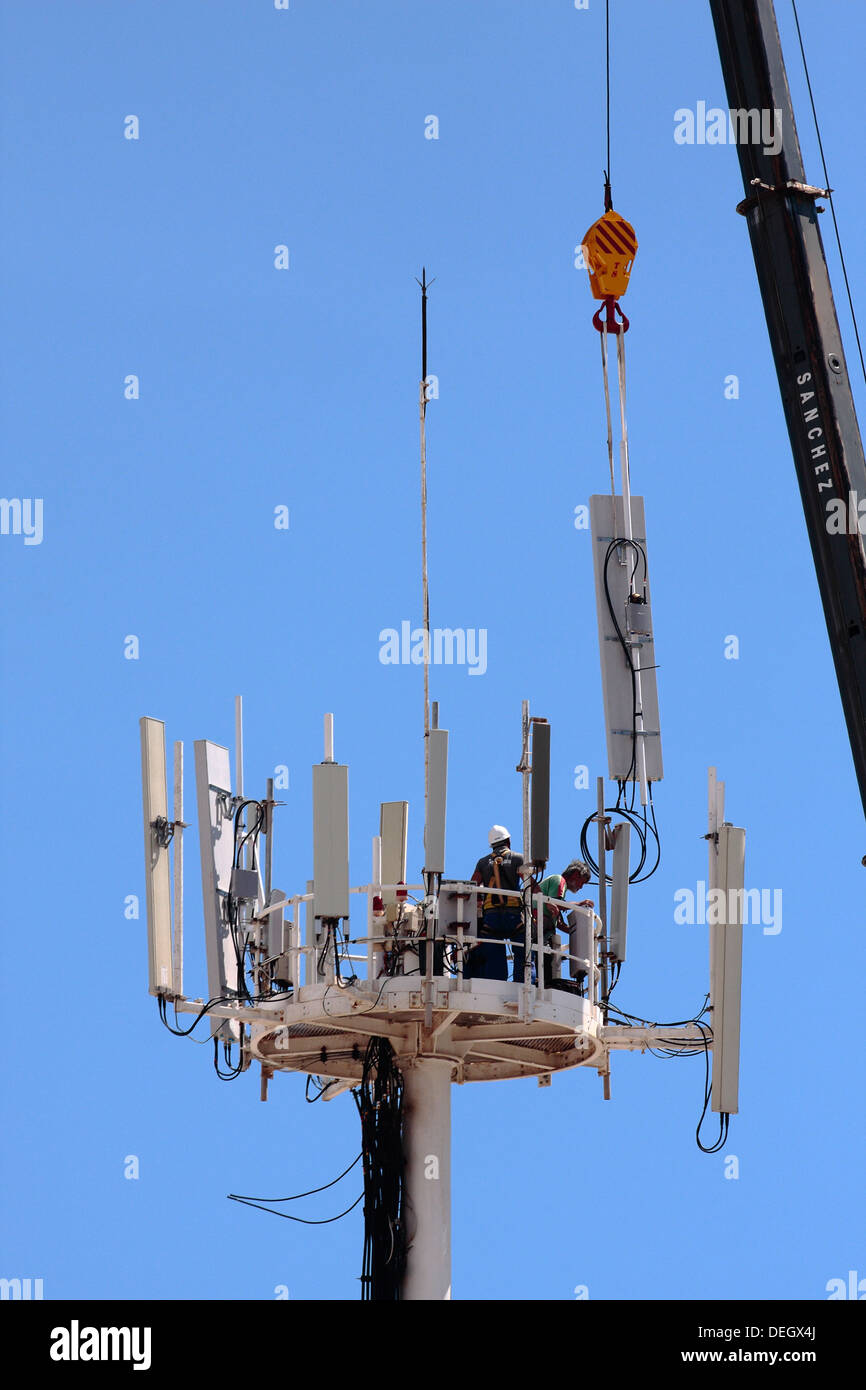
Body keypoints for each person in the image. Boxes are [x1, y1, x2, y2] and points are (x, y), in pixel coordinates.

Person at [467, 826, 525, 981]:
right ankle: (524, 983)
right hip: (514, 917)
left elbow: (472, 887)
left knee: (493, 953)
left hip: (491, 918)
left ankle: (497, 982)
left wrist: (479, 902)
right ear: (508, 841)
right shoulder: (518, 858)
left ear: (492, 844)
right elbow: (532, 884)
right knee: (524, 952)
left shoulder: (482, 862)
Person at [535, 861, 594, 987]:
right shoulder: (559, 880)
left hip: (542, 929)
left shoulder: (559, 886)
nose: (581, 887)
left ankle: (541, 984)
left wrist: (576, 931)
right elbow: (557, 903)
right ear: (575, 875)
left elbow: (558, 920)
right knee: (543, 962)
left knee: (544, 962)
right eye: (582, 882)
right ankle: (542, 985)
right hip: (538, 926)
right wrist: (578, 904)